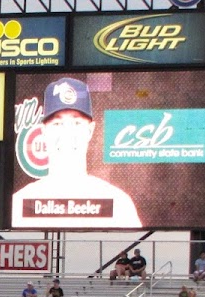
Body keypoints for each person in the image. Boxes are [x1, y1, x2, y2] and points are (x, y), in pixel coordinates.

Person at [11, 77, 140, 228]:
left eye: (76, 123)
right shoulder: (20, 203)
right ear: (44, 131)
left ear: (90, 130)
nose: (67, 132)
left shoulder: (118, 202)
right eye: (58, 123)